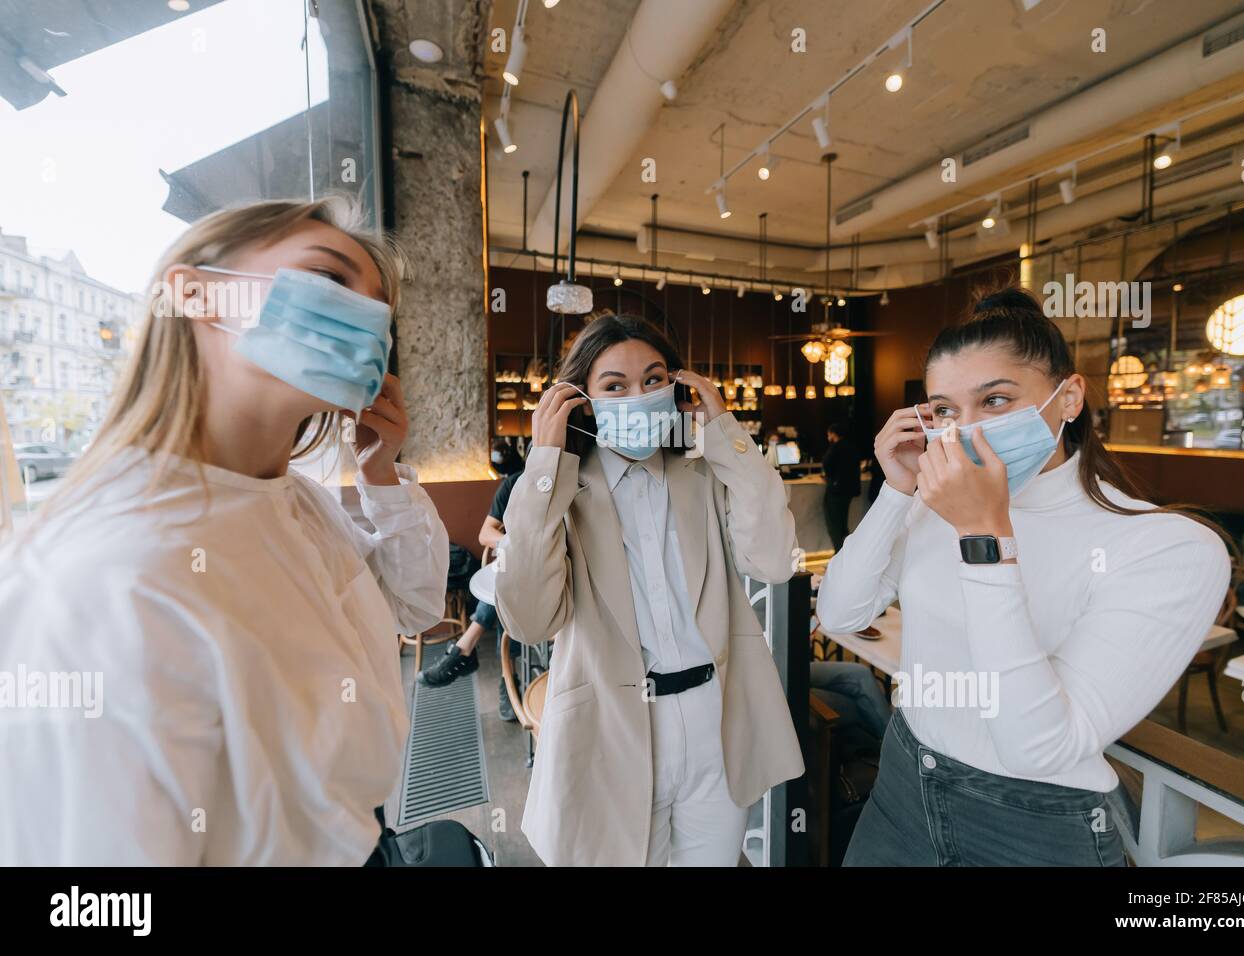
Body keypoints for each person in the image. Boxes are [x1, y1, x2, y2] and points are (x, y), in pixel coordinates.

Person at [0, 197, 450, 865]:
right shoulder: (102, 576)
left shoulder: (298, 505)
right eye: (330, 280)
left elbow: (412, 605)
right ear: (196, 296)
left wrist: (378, 469)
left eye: (380, 305)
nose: (370, 319)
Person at [817, 286, 1230, 867]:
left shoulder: (1164, 547)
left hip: (1028, 826)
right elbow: (840, 613)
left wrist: (985, 537)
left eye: (995, 400)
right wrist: (895, 491)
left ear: (1069, 399)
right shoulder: (931, 505)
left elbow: (1038, 747)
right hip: (903, 781)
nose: (967, 430)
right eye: (945, 410)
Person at [494, 314, 805, 867]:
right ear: (583, 400)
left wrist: (727, 434)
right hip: (612, 731)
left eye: (654, 379)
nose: (638, 397)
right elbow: (530, 620)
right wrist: (543, 464)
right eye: (615, 386)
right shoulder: (560, 490)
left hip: (716, 722)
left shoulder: (704, 475)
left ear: (677, 386)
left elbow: (775, 563)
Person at [419, 467, 524, 723]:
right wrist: (513, 544)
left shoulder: (564, 483)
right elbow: (485, 533)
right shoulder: (513, 484)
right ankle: (505, 680)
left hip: (554, 574)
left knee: (504, 589)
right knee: (504, 590)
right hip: (518, 570)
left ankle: (466, 650)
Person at [821, 421, 861, 552]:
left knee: (834, 525)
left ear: (833, 434)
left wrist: (829, 477)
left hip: (836, 490)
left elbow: (826, 463)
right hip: (849, 491)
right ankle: (846, 554)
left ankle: (839, 555)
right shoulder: (852, 446)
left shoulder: (836, 447)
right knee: (843, 524)